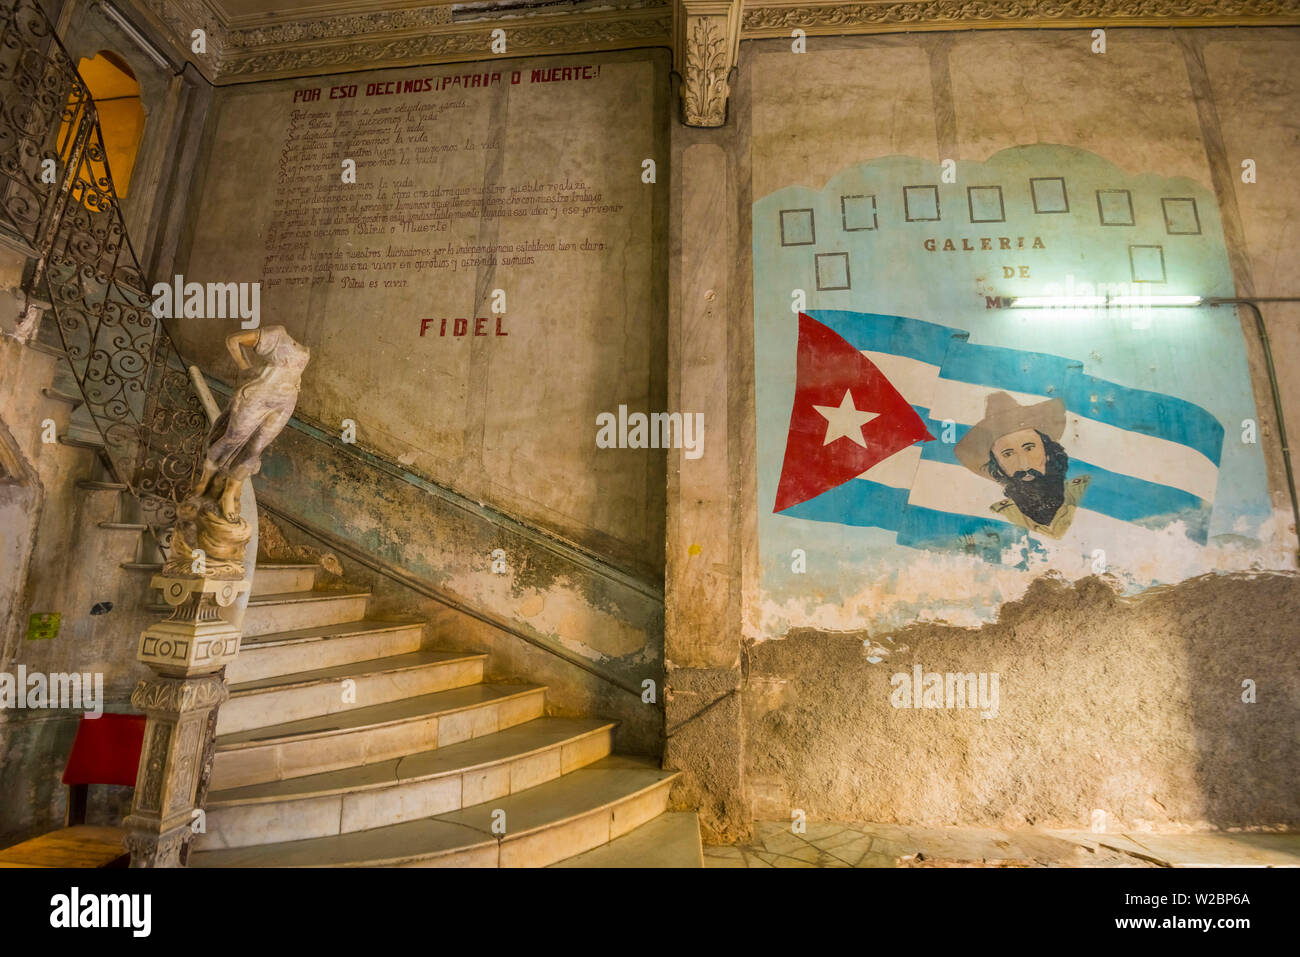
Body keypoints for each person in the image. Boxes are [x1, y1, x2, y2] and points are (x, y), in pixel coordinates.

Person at [190, 325, 309, 521]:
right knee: (231, 438)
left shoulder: (306, 350)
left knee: (255, 448)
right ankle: (205, 482)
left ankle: (230, 493)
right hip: (258, 397)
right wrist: (246, 369)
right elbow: (233, 340)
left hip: (285, 403)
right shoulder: (278, 334)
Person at [953, 391, 1089, 539]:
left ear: (1048, 451)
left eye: (1029, 448)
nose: (1023, 465)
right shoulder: (997, 516)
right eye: (1008, 454)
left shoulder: (1084, 490)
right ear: (997, 465)